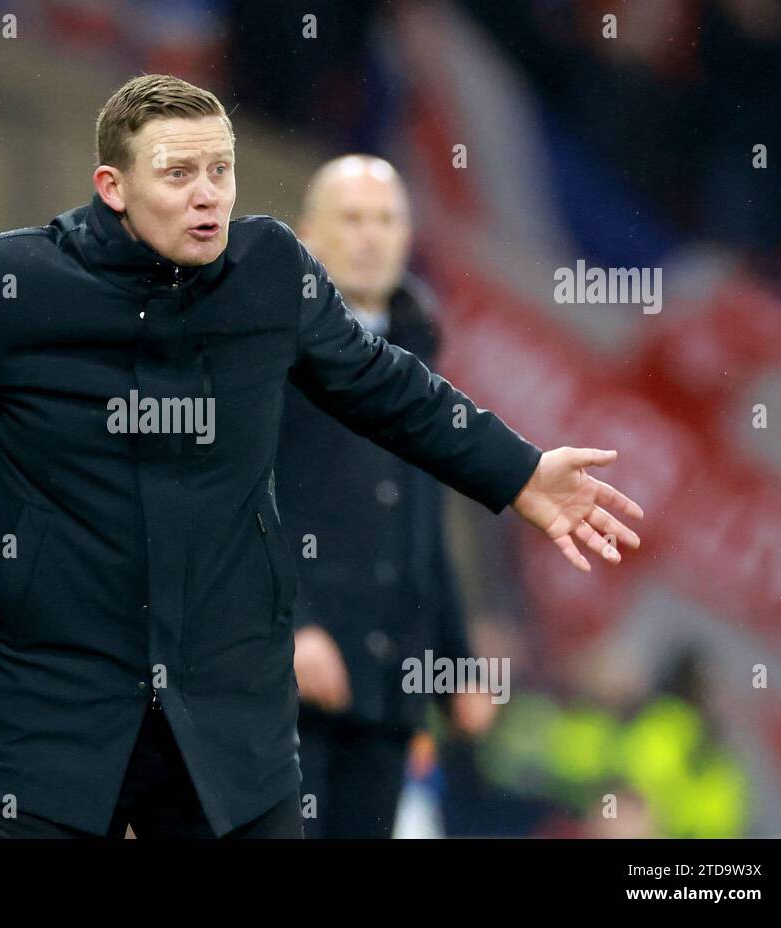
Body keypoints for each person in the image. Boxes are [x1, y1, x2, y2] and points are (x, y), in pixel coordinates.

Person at [0, 74, 643, 839]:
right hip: (60, 715)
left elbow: (387, 390)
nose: (209, 194)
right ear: (111, 185)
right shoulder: (14, 285)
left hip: (229, 711)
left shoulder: (271, 271)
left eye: (220, 170)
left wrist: (516, 470)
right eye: (178, 174)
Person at [277, 155, 493, 838]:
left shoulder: (419, 355)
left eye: (386, 219)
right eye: (351, 219)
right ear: (309, 235)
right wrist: (291, 625)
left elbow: (424, 527)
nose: (370, 236)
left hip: (390, 688)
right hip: (284, 685)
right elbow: (234, 500)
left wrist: (456, 662)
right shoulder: (268, 348)